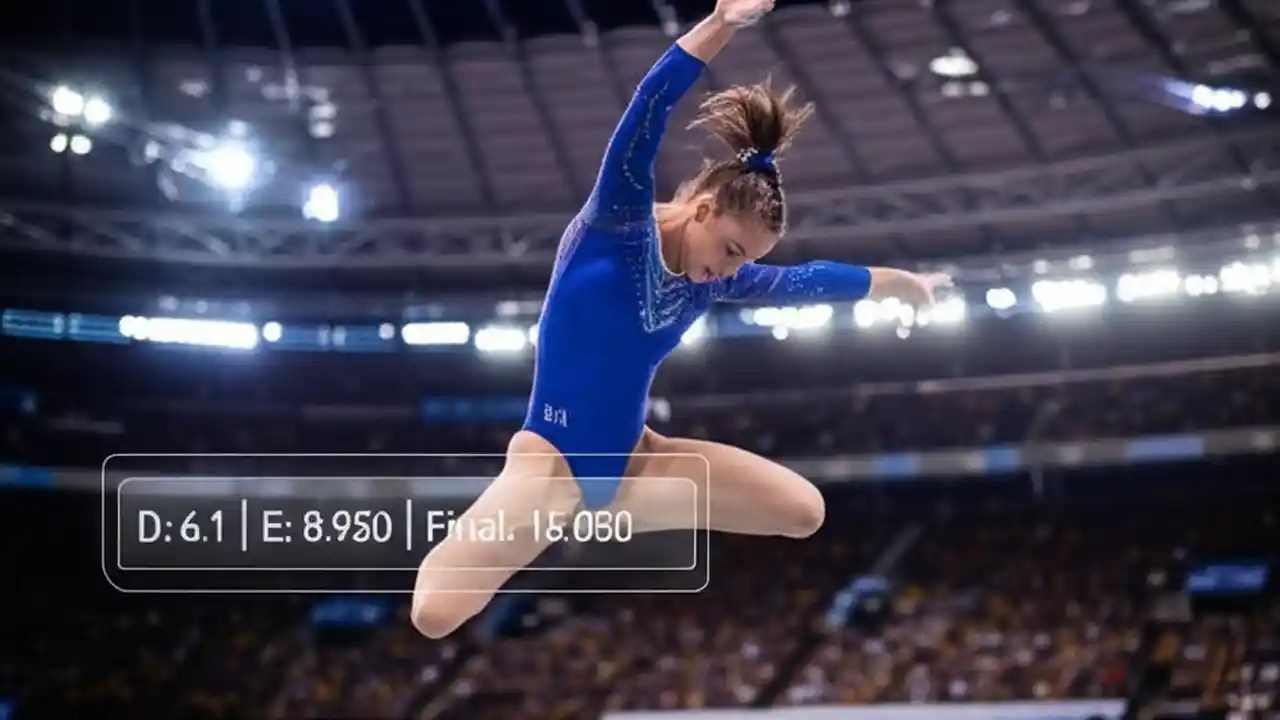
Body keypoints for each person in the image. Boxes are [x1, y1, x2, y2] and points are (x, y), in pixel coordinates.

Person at [411, 0, 952, 639]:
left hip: (636, 460)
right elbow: (648, 110)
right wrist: (722, 23)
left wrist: (896, 283)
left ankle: (604, 519)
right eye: (730, 250)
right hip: (550, 466)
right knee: (435, 613)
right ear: (699, 210)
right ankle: (569, 519)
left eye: (745, 260)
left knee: (803, 510)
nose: (730, 271)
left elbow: (803, 282)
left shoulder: (711, 280)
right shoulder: (616, 225)